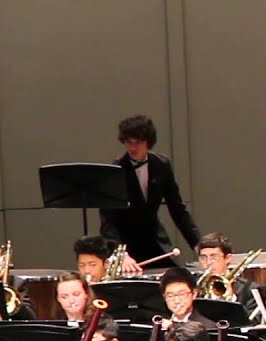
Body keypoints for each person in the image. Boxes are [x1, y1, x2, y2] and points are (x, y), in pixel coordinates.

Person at [99, 114, 200, 266]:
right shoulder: (115, 172)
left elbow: (177, 209)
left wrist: (198, 244)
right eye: (128, 142)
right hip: (127, 249)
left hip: (156, 243)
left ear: (148, 142)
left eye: (138, 142)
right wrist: (121, 255)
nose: (132, 148)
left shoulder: (162, 165)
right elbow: (108, 222)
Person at [195, 232, 255, 306]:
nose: (208, 262)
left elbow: (251, 317)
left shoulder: (248, 289)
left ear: (227, 258)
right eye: (203, 258)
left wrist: (232, 299)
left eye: (214, 257)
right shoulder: (194, 286)